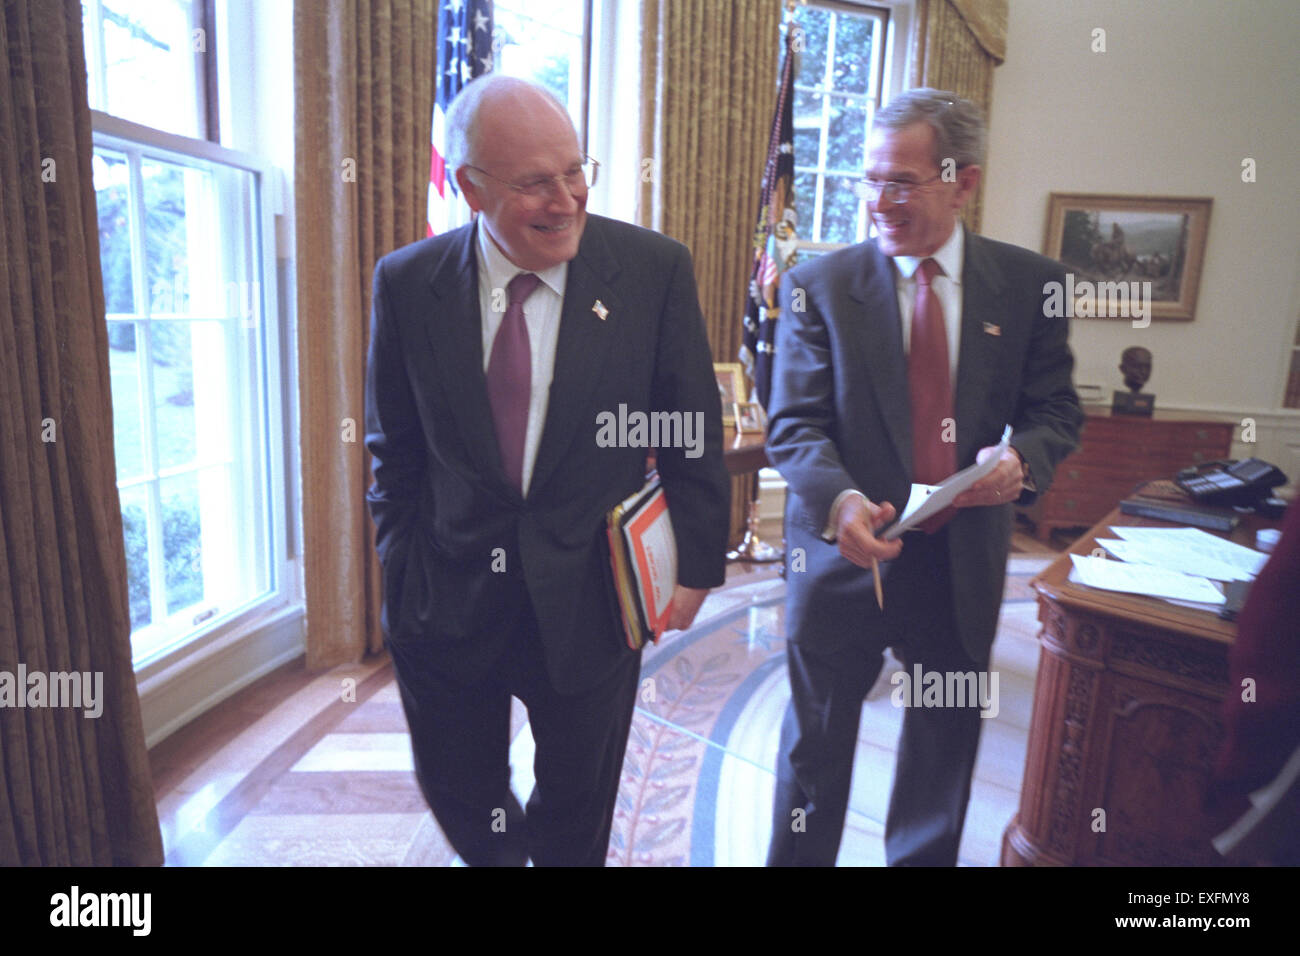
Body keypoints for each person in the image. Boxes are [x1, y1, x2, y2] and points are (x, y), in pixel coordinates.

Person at [364, 75, 729, 866]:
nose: (566, 201)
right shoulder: (408, 283)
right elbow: (395, 448)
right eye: (535, 183)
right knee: (461, 787)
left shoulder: (652, 271)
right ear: (471, 188)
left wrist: (697, 566)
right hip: (448, 591)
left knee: (578, 799)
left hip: (593, 594)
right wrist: (402, 567)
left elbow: (689, 430)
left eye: (574, 172)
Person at [765, 88, 1083, 866]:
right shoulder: (820, 287)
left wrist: (1022, 461)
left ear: (962, 181)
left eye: (901, 183)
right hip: (843, 558)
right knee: (815, 749)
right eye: (870, 180)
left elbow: (1055, 411)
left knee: (942, 749)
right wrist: (840, 500)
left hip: (959, 566)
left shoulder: (1031, 286)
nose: (879, 202)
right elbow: (795, 425)